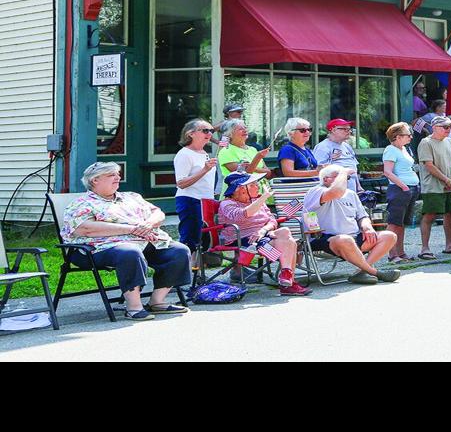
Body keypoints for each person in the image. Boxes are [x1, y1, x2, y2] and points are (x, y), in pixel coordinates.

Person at [61, 162, 192, 320]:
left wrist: (148, 224)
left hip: (143, 240)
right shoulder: (82, 204)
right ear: (95, 180)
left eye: (117, 174)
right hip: (96, 249)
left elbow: (158, 212)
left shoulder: (131, 197)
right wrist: (131, 229)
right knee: (130, 252)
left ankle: (157, 302)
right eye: (111, 175)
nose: (118, 177)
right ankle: (133, 307)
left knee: (179, 251)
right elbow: (84, 228)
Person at [217, 172, 310, 297]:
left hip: (264, 237)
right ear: (242, 188)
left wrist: (263, 230)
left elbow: (272, 220)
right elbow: (243, 215)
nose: (258, 186)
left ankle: (286, 276)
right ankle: (288, 283)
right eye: (254, 184)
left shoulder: (257, 201)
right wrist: (263, 198)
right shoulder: (227, 204)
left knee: (285, 231)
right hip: (245, 240)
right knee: (290, 242)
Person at [304, 166, 400, 284]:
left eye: (346, 178)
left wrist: (367, 227)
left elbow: (362, 216)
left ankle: (361, 272)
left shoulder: (350, 194)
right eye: (340, 177)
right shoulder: (316, 191)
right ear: (325, 179)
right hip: (326, 240)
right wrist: (343, 172)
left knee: (389, 236)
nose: (345, 180)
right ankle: (375, 272)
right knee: (345, 239)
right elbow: (336, 192)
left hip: (355, 238)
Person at [173, 119, 219, 258]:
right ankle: (184, 274)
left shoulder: (204, 153)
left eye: (211, 131)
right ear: (191, 134)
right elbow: (181, 183)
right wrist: (205, 169)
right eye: (205, 130)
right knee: (190, 239)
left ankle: (197, 274)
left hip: (206, 201)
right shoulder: (184, 154)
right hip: (190, 200)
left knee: (203, 240)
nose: (209, 133)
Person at [417, 115, 451, 259]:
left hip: (449, 184)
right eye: (446, 127)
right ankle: (424, 248)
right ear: (435, 127)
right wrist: (446, 179)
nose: (449, 129)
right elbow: (428, 165)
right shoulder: (426, 142)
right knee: (430, 214)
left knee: (450, 214)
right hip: (433, 186)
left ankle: (450, 245)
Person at [382, 122, 421, 263]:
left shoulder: (404, 149)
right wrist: (403, 186)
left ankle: (401, 252)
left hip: (411, 187)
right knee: (394, 222)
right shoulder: (390, 149)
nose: (411, 137)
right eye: (407, 134)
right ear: (397, 137)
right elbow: (387, 171)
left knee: (402, 222)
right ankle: (392, 254)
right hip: (399, 189)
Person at [217, 119, 273, 190]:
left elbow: (268, 173)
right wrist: (257, 159)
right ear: (230, 134)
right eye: (240, 129)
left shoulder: (253, 149)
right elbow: (242, 176)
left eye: (245, 128)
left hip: (260, 192)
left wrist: (252, 167)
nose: (245, 130)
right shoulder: (225, 151)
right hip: (238, 194)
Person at [313, 119, 361, 188]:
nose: (349, 131)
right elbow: (319, 171)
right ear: (333, 130)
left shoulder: (347, 146)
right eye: (345, 129)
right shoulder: (322, 147)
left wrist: (358, 187)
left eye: (349, 129)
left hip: (351, 189)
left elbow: (353, 167)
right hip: (334, 190)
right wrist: (330, 160)